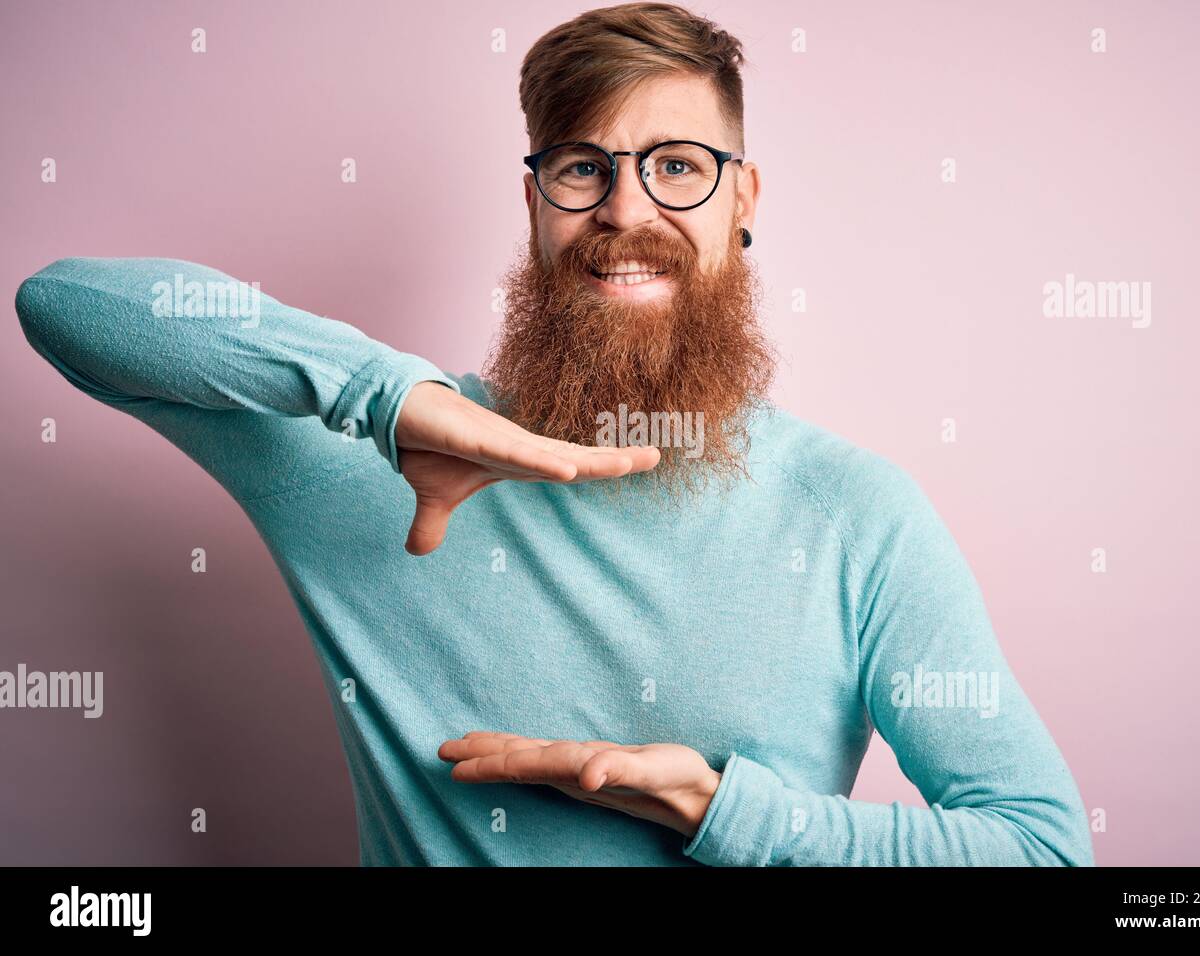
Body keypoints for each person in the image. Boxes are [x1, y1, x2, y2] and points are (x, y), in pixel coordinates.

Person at [13, 1, 1093, 866]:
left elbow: (1042, 846)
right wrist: (384, 398)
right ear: (535, 203)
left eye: (678, 165)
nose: (625, 211)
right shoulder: (376, 459)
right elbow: (67, 305)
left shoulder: (857, 514)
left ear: (742, 198)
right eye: (582, 167)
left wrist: (715, 808)